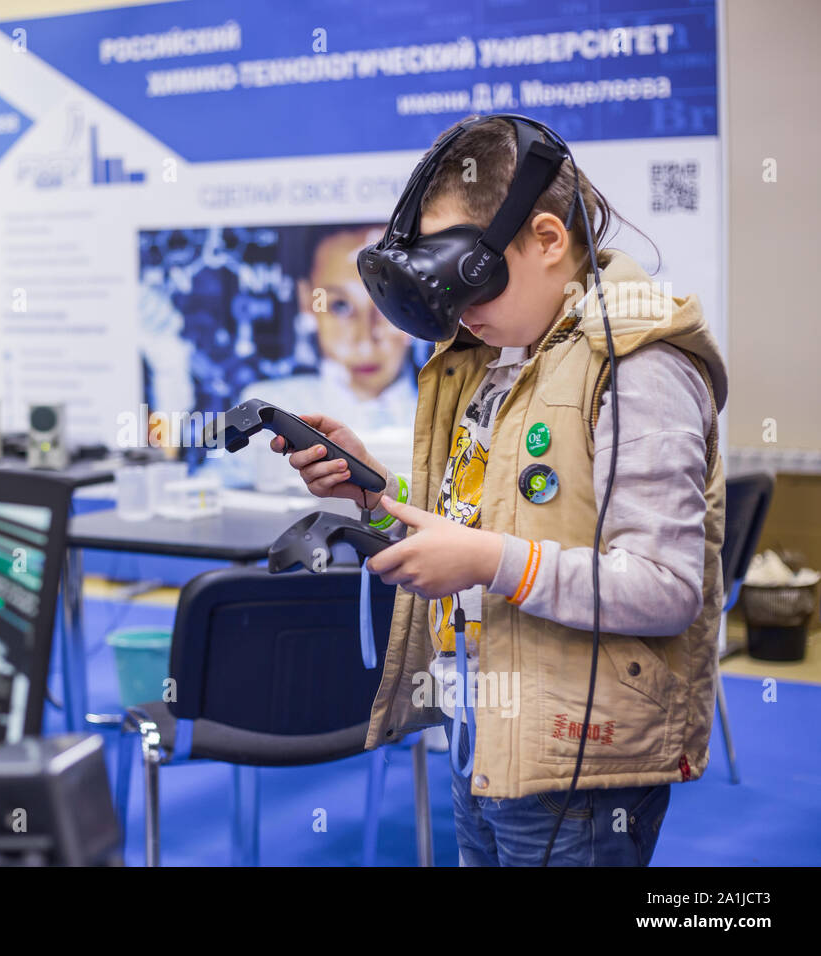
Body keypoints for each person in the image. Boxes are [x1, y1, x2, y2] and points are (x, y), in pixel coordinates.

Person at [273, 115, 726, 866]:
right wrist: (373, 487)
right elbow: (485, 518)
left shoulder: (639, 366)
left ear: (548, 239)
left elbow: (666, 585)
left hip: (576, 756)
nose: (454, 305)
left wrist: (488, 562)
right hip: (482, 730)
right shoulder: (497, 358)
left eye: (468, 272)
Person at [213, 224, 417, 488]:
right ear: (306, 299)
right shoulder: (275, 404)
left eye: (385, 304)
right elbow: (206, 494)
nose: (365, 342)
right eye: (340, 305)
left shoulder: (453, 412)